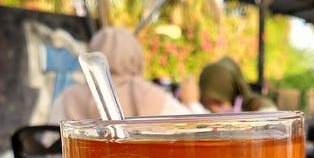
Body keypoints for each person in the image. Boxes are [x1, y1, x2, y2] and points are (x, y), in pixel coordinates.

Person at [49, 26, 204, 121]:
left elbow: (46, 149)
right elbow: (202, 129)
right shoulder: (150, 95)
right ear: (136, 55)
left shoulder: (66, 97)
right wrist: (192, 103)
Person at [193, 57, 276, 113]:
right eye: (205, 104)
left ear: (233, 97)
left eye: (218, 103)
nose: (212, 109)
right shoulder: (195, 107)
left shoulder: (259, 107)